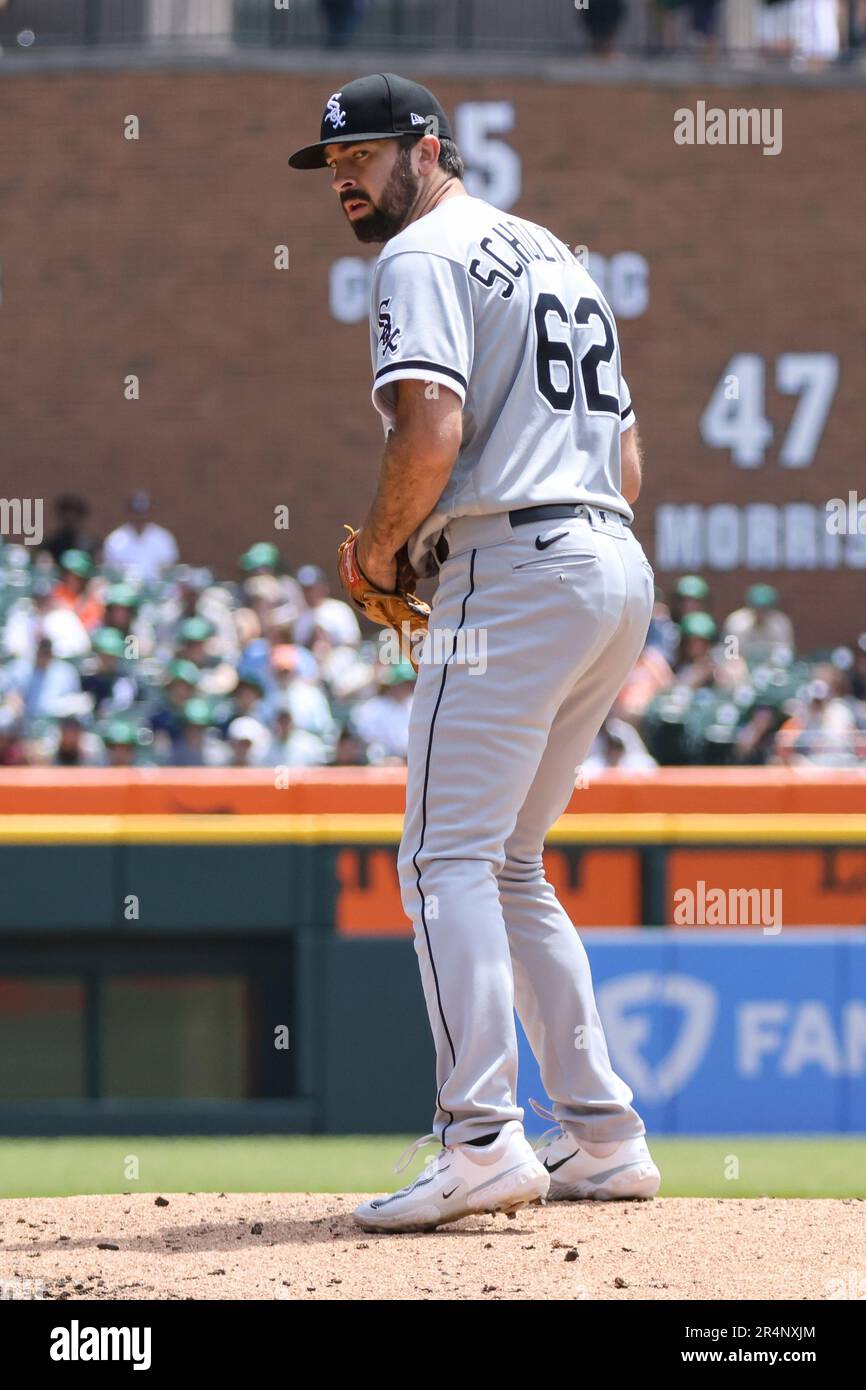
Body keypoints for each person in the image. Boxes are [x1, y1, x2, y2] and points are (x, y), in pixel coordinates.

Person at [289, 73, 661, 1232]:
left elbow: (428, 427)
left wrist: (386, 555)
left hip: (512, 570)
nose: (347, 175)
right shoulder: (553, 253)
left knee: (438, 860)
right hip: (609, 565)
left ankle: (482, 1138)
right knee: (506, 865)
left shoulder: (418, 255)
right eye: (333, 161)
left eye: (367, 154)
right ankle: (600, 1135)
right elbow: (630, 459)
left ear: (428, 149)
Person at [102, 492, 179, 583]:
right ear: (129, 513)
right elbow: (110, 572)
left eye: (143, 517)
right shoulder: (115, 539)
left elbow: (170, 568)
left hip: (157, 591)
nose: (139, 521)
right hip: (125, 592)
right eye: (136, 516)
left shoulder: (163, 537)